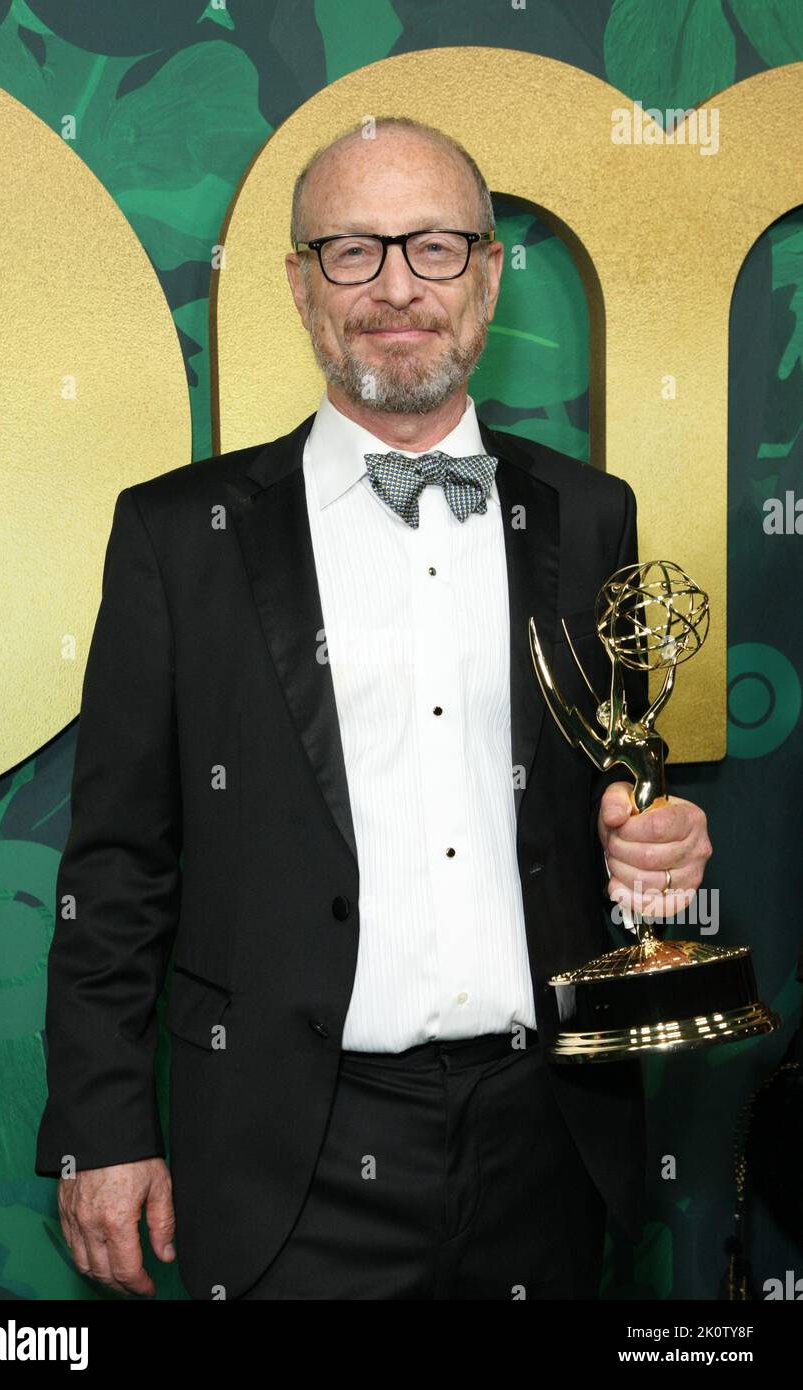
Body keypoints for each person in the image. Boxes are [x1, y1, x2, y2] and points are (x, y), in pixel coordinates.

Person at [35, 116, 712, 1300]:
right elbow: (117, 861)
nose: (396, 287)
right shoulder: (177, 535)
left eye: (437, 248)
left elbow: (609, 785)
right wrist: (102, 1127)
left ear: (490, 275)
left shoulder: (587, 513)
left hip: (542, 1139)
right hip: (282, 1156)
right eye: (352, 250)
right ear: (301, 288)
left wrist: (650, 845)